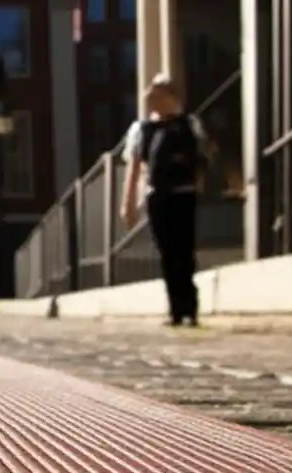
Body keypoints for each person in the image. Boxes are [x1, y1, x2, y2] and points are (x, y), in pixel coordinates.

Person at [121, 73, 211, 327]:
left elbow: (202, 157)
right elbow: (134, 167)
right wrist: (128, 203)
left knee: (184, 250)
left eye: (158, 95)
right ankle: (176, 309)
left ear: (172, 97)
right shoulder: (142, 129)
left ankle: (189, 307)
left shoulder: (189, 124)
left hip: (184, 192)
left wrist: (199, 183)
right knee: (167, 252)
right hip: (157, 194)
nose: (153, 100)